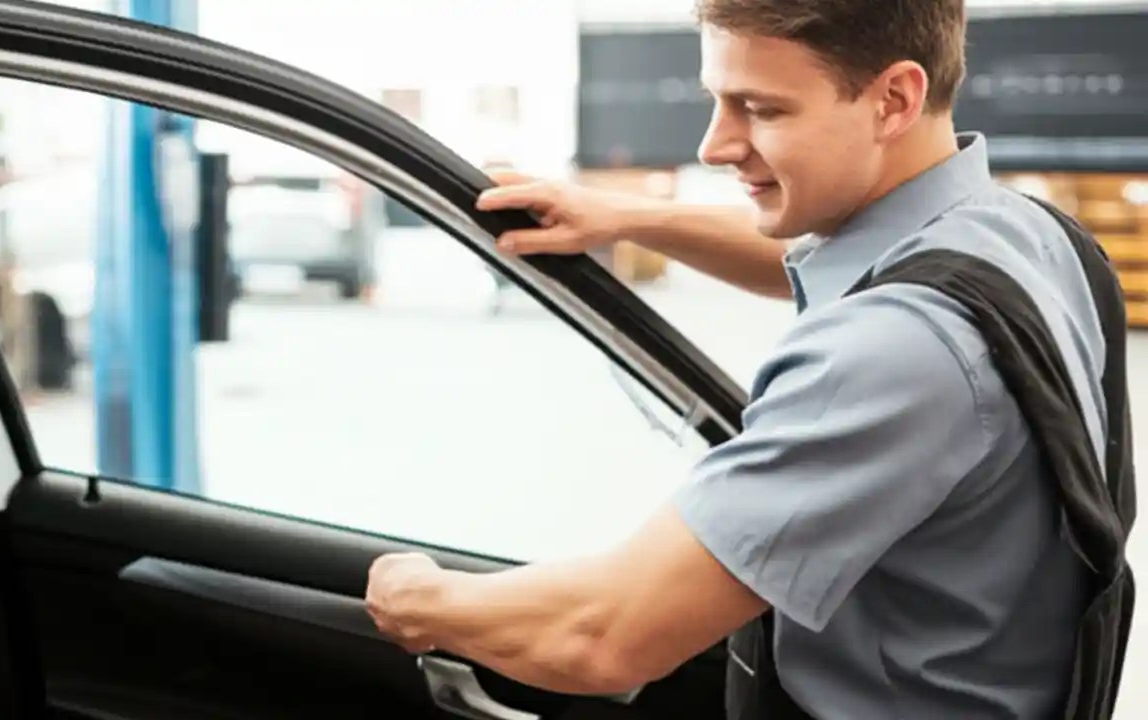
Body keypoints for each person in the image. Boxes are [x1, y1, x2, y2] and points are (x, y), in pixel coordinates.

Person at [365, 1, 1123, 717]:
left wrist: (422, 599)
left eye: (761, 109)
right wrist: (631, 217)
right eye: (718, 100)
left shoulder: (895, 351)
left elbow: (601, 636)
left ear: (893, 99)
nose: (714, 145)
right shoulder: (1027, 238)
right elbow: (829, 260)